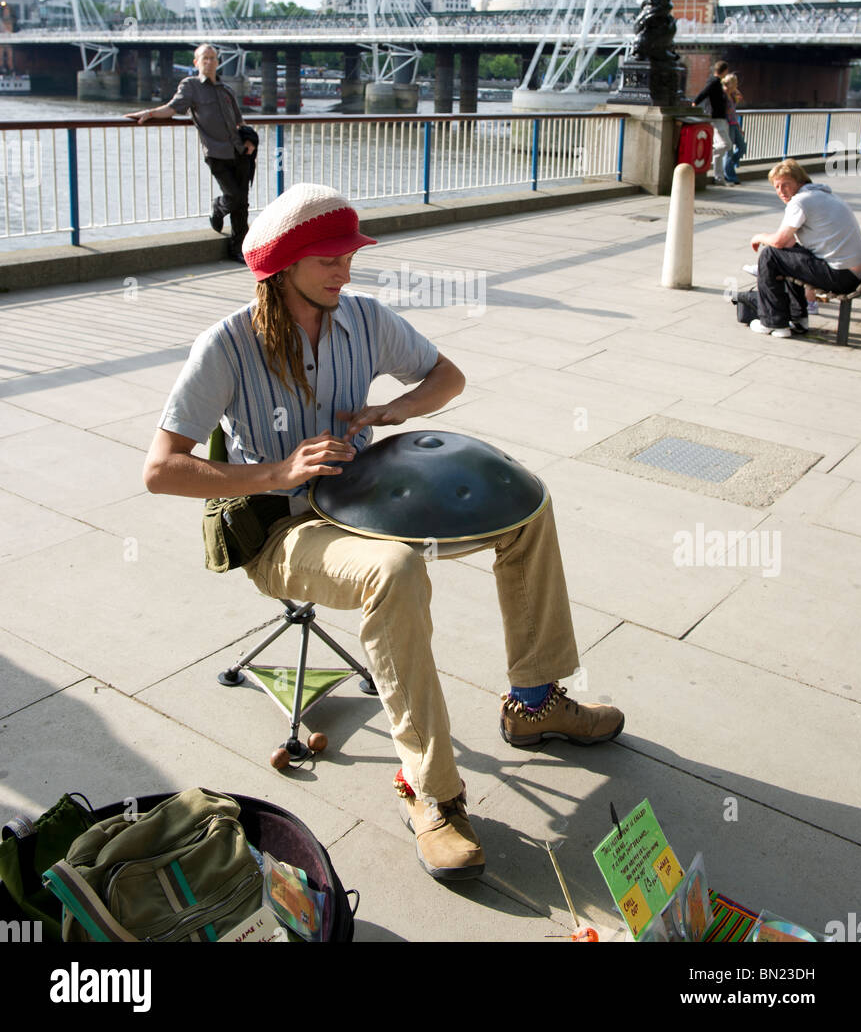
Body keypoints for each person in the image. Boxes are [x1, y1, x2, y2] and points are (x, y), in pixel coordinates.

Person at [142, 182, 624, 882]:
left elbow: (446, 377)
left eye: (349, 255)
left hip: (369, 503)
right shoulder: (226, 344)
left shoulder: (363, 317)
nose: (345, 270)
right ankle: (430, 791)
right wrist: (275, 471)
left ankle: (534, 701)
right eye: (328, 259)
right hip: (285, 530)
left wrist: (387, 413)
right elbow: (161, 470)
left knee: (525, 507)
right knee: (394, 571)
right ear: (281, 267)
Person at [126, 44, 256, 261]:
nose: (209, 62)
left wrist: (249, 140)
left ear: (217, 61)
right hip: (216, 152)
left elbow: (239, 121)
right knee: (233, 197)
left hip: (239, 151)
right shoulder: (191, 86)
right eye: (204, 58)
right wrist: (149, 113)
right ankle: (218, 206)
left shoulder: (226, 90)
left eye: (213, 58)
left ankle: (238, 250)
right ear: (196, 62)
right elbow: (172, 108)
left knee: (242, 204)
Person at [747, 160, 861, 337]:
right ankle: (798, 320)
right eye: (777, 187)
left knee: (769, 256)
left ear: (800, 181)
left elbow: (778, 241)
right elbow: (787, 244)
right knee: (787, 254)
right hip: (851, 274)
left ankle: (773, 323)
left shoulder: (801, 201)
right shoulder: (823, 195)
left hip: (841, 277)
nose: (781, 191)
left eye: (785, 184)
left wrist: (759, 236)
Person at [692, 59, 731, 185]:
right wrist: (695, 102)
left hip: (720, 117)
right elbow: (705, 92)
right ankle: (709, 153)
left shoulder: (718, 82)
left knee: (722, 149)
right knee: (726, 145)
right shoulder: (714, 82)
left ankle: (719, 178)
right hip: (716, 117)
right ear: (724, 71)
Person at [721, 72, 746, 186]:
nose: (736, 84)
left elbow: (740, 98)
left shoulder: (732, 94)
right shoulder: (724, 93)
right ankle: (730, 175)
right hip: (727, 124)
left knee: (742, 147)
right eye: (734, 82)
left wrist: (739, 127)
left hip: (734, 123)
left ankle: (728, 166)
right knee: (729, 151)